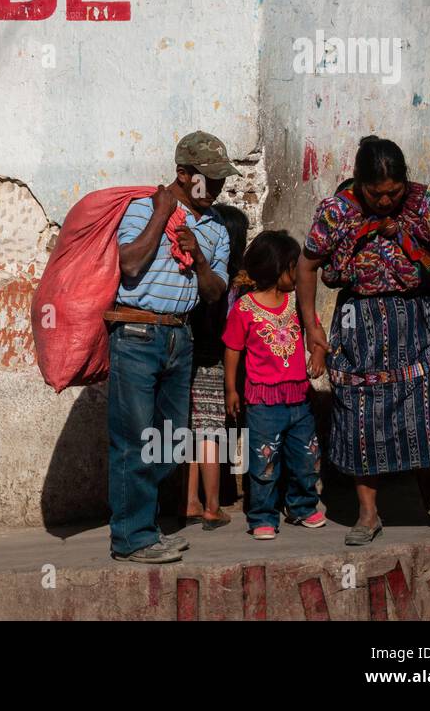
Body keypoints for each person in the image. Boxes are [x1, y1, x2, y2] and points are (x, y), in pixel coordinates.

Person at [297, 135, 430, 546]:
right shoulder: (336, 212)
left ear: (406, 181)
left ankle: (428, 479)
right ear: (359, 183)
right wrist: (312, 326)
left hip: (418, 317)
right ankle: (368, 513)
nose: (386, 201)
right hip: (361, 322)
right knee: (360, 414)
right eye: (377, 193)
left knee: (420, 405)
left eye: (394, 192)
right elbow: (307, 265)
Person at [107, 131, 237, 564]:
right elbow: (128, 264)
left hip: (181, 337)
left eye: (220, 182)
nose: (215, 189)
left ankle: (146, 527)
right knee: (133, 440)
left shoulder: (217, 227)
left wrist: (199, 258)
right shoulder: (144, 208)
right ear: (183, 173)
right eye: (208, 180)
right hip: (137, 335)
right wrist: (162, 216)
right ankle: (132, 538)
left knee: (169, 441)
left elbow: (216, 292)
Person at [223, 231, 327, 539]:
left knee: (307, 457)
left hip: (299, 399)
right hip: (263, 403)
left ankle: (303, 507)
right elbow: (232, 350)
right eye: (293, 267)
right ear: (276, 267)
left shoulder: (298, 304)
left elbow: (316, 332)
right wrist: (232, 389)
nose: (298, 275)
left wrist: (318, 353)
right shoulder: (244, 308)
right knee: (264, 462)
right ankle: (263, 516)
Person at [183, 205, 248, 530]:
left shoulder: (196, 273)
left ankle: (190, 500)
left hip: (189, 356)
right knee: (210, 430)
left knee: (192, 431)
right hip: (216, 360)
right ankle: (212, 505)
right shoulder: (233, 284)